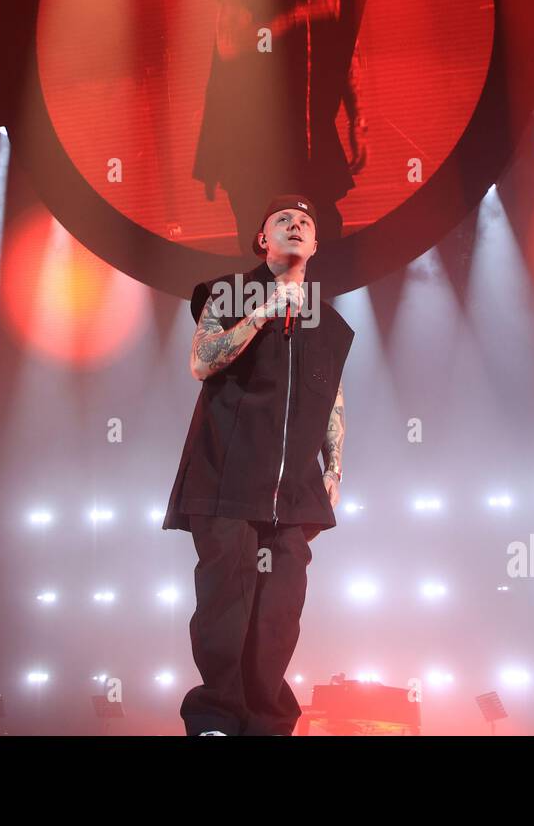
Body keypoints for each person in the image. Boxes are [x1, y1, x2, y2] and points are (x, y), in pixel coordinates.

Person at [164, 195, 354, 735]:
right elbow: (202, 362)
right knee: (226, 608)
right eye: (282, 221)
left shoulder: (330, 324)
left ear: (314, 245)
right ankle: (216, 718)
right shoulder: (229, 292)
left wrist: (334, 466)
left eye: (305, 223)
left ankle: (267, 722)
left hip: (294, 492)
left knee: (278, 616)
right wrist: (265, 312)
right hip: (228, 478)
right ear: (262, 241)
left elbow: (332, 398)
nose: (295, 226)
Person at [194, 0, 372, 256]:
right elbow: (232, 43)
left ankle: (321, 313)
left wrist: (358, 120)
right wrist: (298, 15)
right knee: (267, 251)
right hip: (253, 144)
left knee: (326, 243)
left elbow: (348, 48)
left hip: (313, 141)